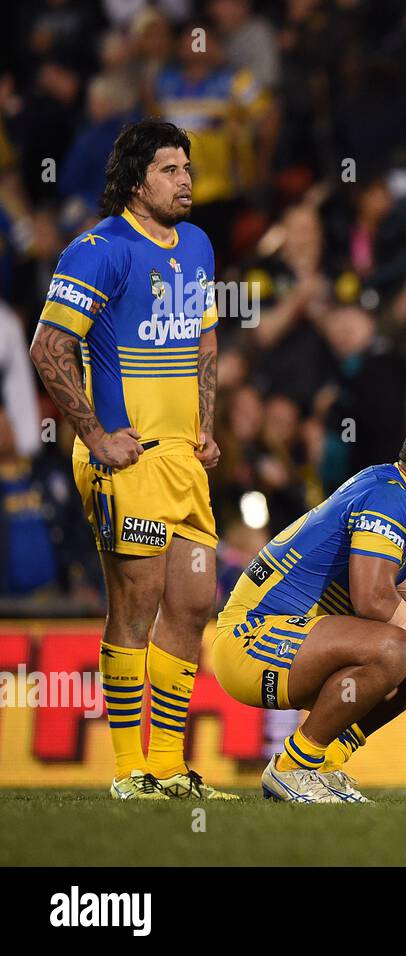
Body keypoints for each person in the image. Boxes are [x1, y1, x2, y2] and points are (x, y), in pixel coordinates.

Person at [28, 119, 229, 800]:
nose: (186, 182)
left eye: (189, 169)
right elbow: (48, 349)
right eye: (172, 170)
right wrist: (96, 437)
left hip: (181, 457)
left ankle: (170, 769)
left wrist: (206, 426)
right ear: (138, 180)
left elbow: (203, 343)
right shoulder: (99, 248)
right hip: (126, 455)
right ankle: (127, 771)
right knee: (137, 602)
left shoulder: (198, 245)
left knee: (196, 600)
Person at [210, 414, 406, 803]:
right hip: (251, 638)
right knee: (397, 646)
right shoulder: (389, 495)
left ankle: (323, 762)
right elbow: (373, 599)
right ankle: (293, 767)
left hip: (302, 639)